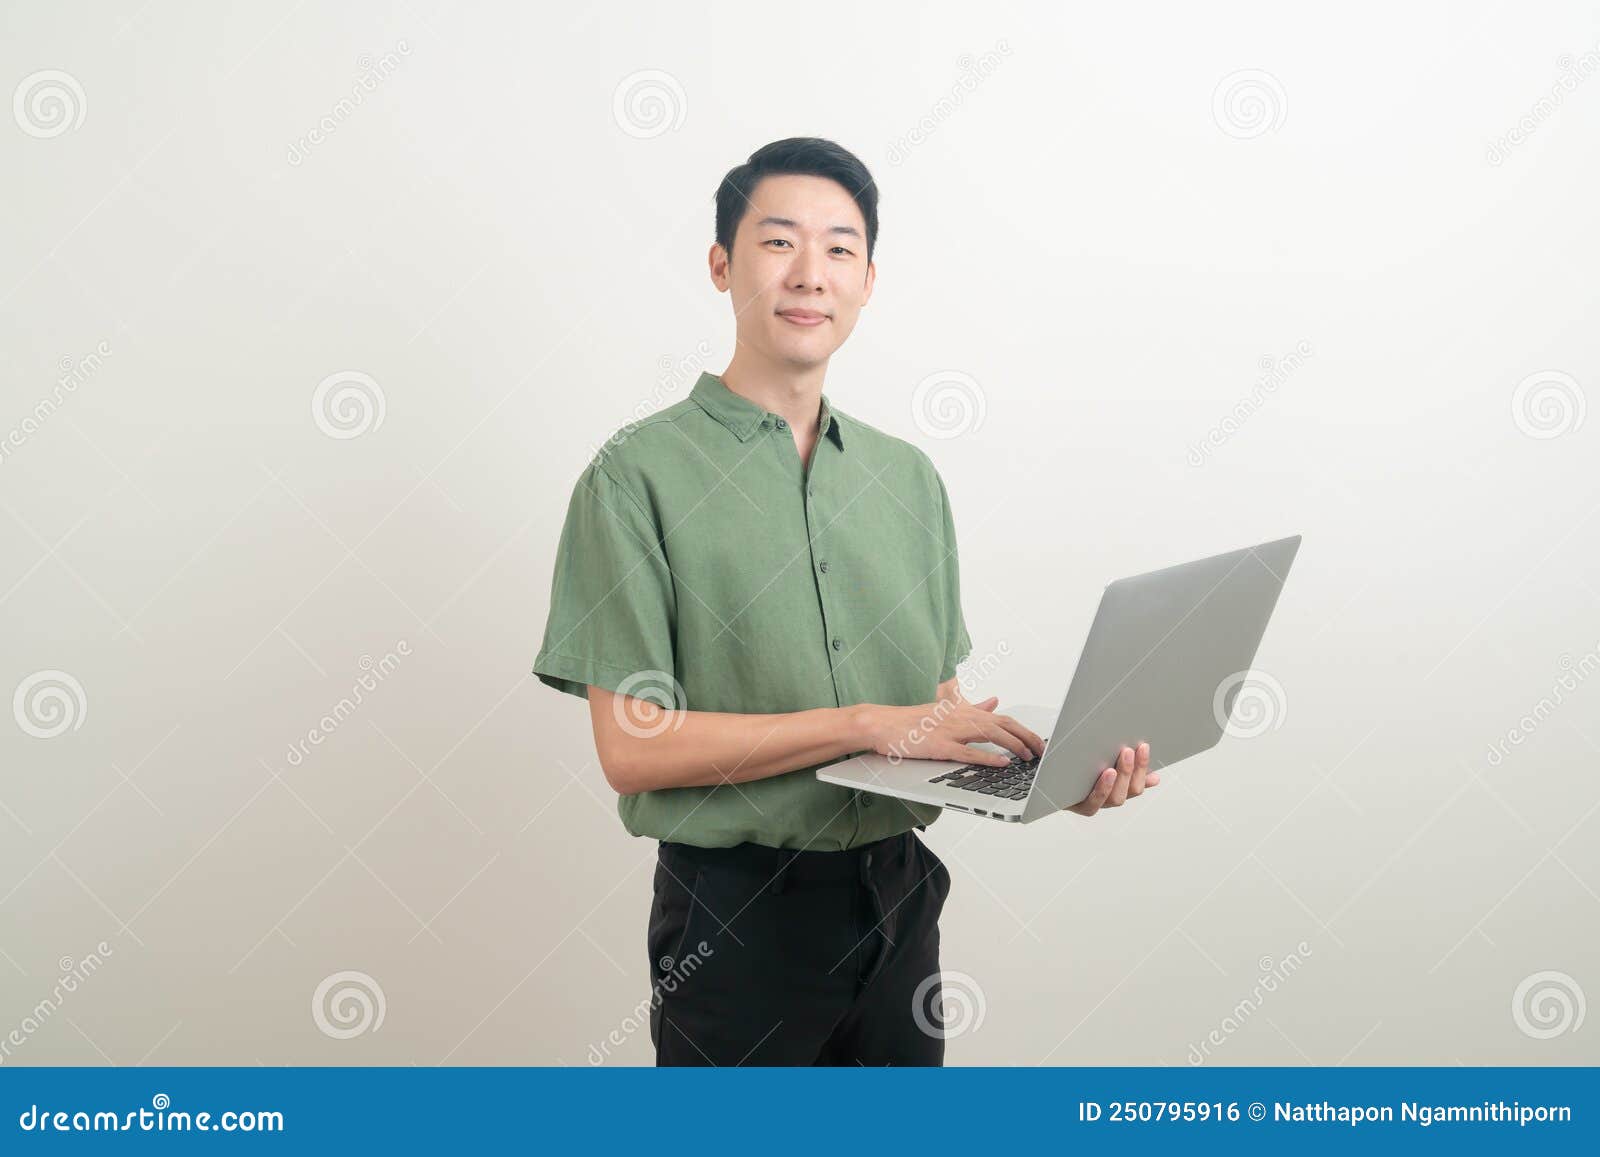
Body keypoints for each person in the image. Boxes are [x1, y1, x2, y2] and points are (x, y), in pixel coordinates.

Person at [533, 137, 1159, 1066]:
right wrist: (865, 722)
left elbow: (935, 708)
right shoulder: (633, 478)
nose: (810, 274)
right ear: (721, 265)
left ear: (868, 281)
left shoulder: (909, 479)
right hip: (735, 925)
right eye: (778, 242)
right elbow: (633, 748)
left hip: (900, 906)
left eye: (839, 249)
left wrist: (1046, 776)